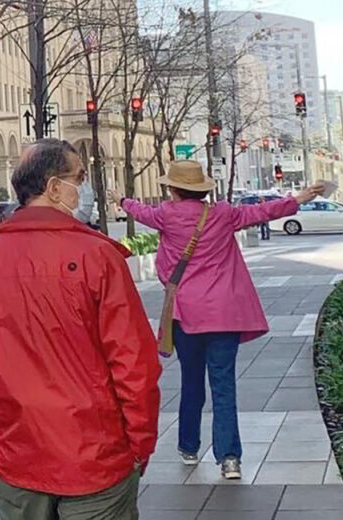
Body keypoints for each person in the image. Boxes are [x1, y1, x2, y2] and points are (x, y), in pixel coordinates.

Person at [0, 139, 160, 520]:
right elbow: (134, 364)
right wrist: (138, 444)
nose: (85, 188)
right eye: (79, 177)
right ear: (53, 187)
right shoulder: (98, 256)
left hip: (19, 454)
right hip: (96, 456)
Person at [117, 161, 324, 480]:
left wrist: (121, 200)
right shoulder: (222, 214)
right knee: (224, 386)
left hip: (185, 316)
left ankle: (188, 446)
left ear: (172, 190)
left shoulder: (166, 215)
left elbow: (140, 211)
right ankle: (230, 459)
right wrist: (297, 199)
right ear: (201, 190)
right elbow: (262, 212)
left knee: (191, 382)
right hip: (224, 315)